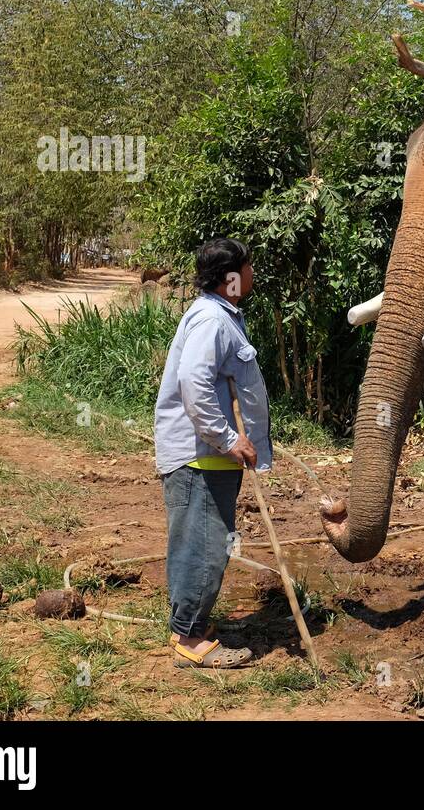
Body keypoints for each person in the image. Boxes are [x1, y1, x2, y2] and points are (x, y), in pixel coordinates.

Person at [153, 237, 271, 668]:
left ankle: (194, 622)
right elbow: (194, 381)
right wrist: (228, 438)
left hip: (210, 455)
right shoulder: (211, 321)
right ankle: (188, 639)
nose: (254, 273)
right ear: (233, 280)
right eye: (249, 266)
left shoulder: (223, 317)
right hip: (199, 455)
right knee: (203, 544)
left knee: (210, 541)